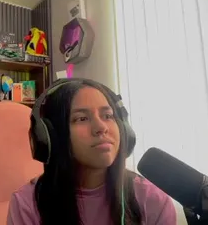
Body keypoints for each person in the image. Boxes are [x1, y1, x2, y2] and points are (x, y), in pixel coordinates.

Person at [10, 78, 177, 225]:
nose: (101, 127)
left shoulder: (153, 201)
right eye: (82, 118)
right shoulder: (27, 204)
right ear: (52, 137)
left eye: (108, 116)